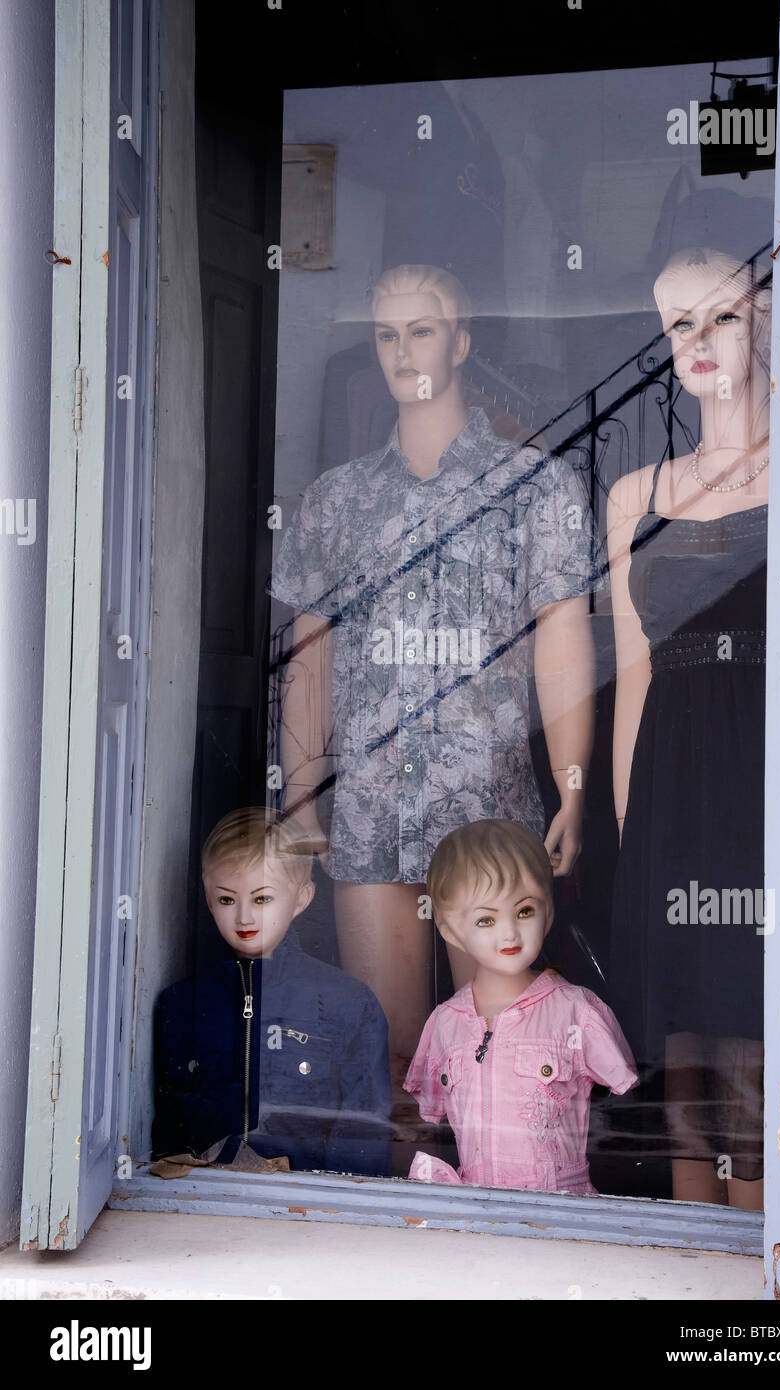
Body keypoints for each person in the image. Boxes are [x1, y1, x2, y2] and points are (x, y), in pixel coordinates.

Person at [270, 264, 596, 1099]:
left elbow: (563, 639)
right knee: (393, 1057)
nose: (400, 351)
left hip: (487, 804)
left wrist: (571, 789)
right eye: (384, 333)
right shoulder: (337, 502)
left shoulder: (533, 485)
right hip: (372, 807)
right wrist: (303, 797)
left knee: (503, 1053)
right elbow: (309, 659)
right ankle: (409, 1218)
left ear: (460, 339)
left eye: (420, 330)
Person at [606, 246, 771, 1209]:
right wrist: (629, 831)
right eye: (678, 325)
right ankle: (683, 1253)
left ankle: (759, 1276)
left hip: (761, 781)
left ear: (759, 320)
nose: (699, 342)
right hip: (667, 791)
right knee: (677, 1044)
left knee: (749, 1032)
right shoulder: (636, 496)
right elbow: (631, 676)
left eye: (719, 318)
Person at [152, 807, 392, 1177]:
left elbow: (365, 1131)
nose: (244, 917)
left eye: (262, 899)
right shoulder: (181, 1005)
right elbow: (169, 1128)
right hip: (206, 1206)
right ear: (206, 892)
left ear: (301, 898)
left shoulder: (347, 1003)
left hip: (311, 1210)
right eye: (227, 899)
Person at [404, 819, 637, 1193]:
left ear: (548, 912)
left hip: (561, 1220)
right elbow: (431, 1110)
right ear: (450, 931)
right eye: (486, 920)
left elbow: (628, 1102)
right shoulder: (445, 1024)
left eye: (524, 911)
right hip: (478, 1224)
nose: (509, 932)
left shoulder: (577, 1012)